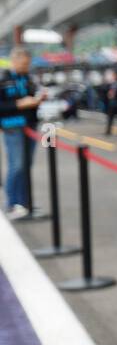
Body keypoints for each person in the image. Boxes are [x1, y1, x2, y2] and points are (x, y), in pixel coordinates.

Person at [0, 48, 43, 220]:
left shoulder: (29, 79)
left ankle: (25, 203)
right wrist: (19, 104)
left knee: (26, 166)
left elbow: (32, 103)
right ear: (14, 61)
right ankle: (12, 203)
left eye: (28, 63)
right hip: (12, 127)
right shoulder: (3, 80)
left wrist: (38, 101)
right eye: (24, 63)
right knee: (16, 166)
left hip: (30, 126)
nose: (26, 66)